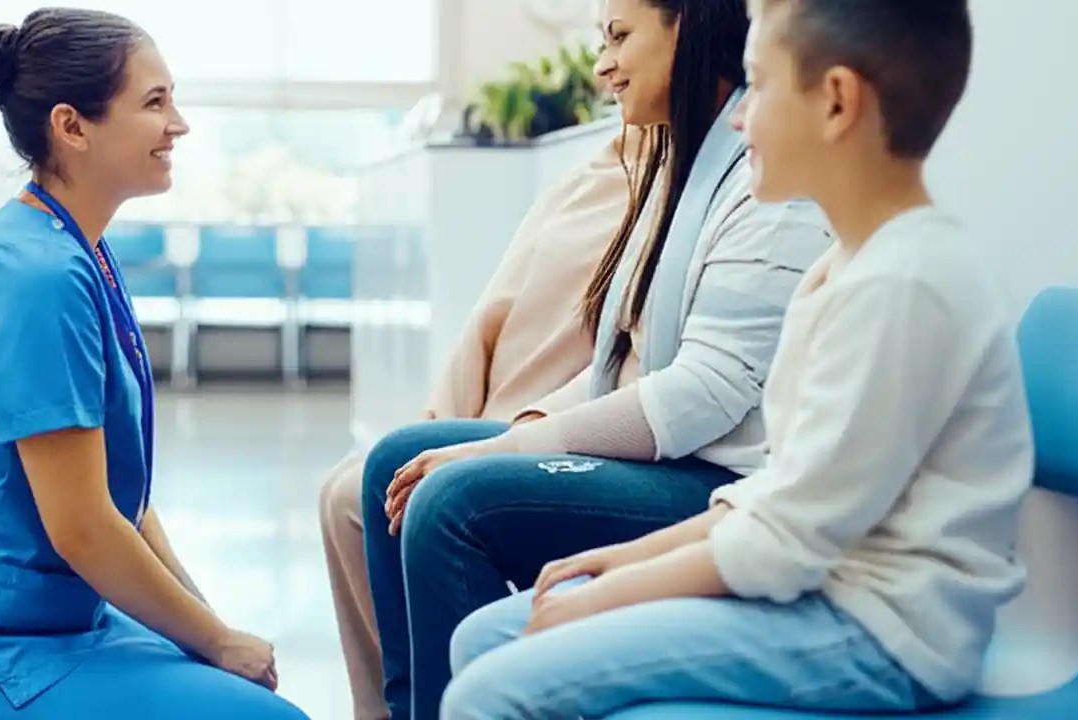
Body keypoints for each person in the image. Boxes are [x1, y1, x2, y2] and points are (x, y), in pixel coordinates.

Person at [442, 0, 1035, 717]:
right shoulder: (847, 267)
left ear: (837, 102)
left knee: (490, 690)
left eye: (757, 86)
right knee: (484, 638)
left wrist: (608, 594)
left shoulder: (906, 284)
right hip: (823, 591)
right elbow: (784, 490)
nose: (735, 117)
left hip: (881, 633)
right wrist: (622, 562)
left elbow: (785, 544)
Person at [359, 0, 834, 717]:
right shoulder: (680, 168)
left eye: (619, 37)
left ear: (689, 28)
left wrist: (512, 446)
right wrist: (518, 430)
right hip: (677, 461)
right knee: (393, 461)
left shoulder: (768, 195)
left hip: (712, 478)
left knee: (451, 504)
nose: (602, 64)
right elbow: (623, 358)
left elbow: (702, 393)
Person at [0, 9, 308, 720]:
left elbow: (127, 500)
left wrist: (206, 627)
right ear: (72, 126)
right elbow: (84, 525)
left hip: (53, 619)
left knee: (232, 687)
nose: (178, 124)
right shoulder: (35, 275)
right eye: (155, 103)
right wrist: (215, 641)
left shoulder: (78, 250)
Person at [320, 126, 644, 720]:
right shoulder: (595, 170)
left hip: (571, 421)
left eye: (619, 37)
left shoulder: (681, 184)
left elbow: (639, 371)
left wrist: (521, 432)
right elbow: (489, 314)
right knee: (352, 485)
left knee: (403, 491)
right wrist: (443, 417)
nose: (604, 65)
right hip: (519, 410)